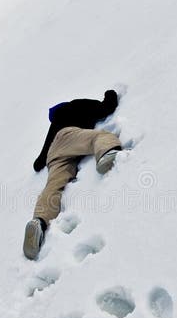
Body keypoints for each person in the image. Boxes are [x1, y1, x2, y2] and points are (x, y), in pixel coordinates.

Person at [23, 90, 122, 259]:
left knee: (54, 186)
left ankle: (39, 221)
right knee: (100, 137)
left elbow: (39, 161)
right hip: (70, 136)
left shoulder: (54, 124)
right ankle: (107, 153)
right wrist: (110, 94)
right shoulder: (77, 104)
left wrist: (40, 162)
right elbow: (105, 108)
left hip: (53, 155)